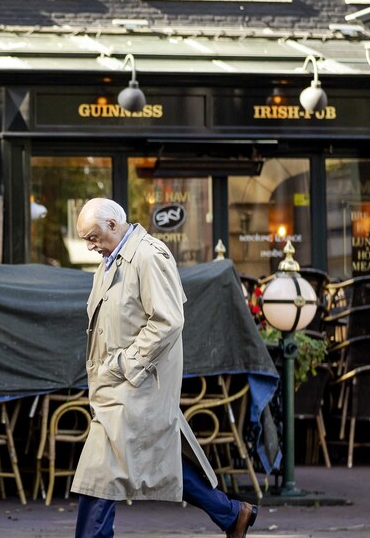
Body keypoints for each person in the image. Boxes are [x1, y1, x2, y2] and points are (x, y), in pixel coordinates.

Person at [71, 197, 258, 538]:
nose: (90, 245)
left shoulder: (148, 255)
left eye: (93, 236)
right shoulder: (110, 262)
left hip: (136, 386)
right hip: (119, 387)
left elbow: (168, 321)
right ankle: (231, 514)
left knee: (99, 473)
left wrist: (124, 365)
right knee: (156, 462)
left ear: (113, 224)